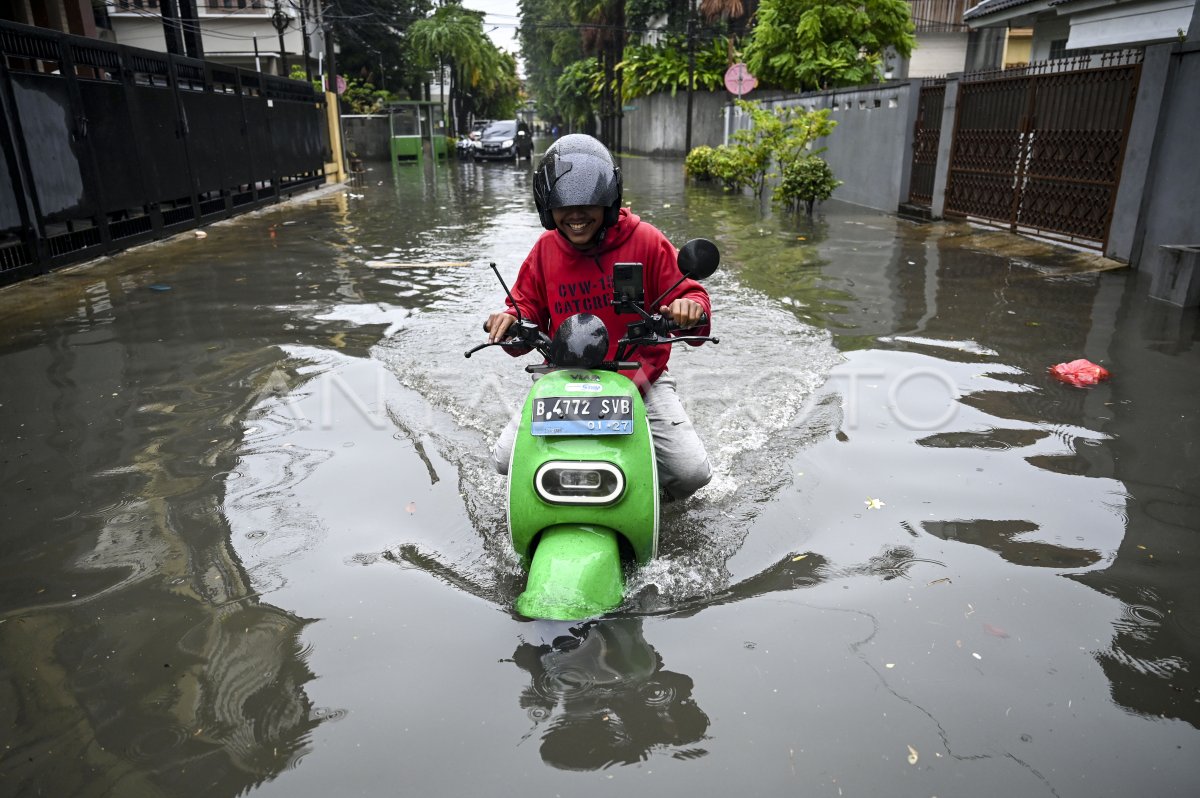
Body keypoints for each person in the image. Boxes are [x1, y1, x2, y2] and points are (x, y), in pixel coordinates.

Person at [485, 134, 713, 500]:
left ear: (608, 202)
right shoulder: (545, 250)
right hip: (562, 378)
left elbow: (690, 294)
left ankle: (647, 497)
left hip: (640, 376)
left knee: (690, 472)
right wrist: (510, 319)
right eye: (564, 206)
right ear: (548, 207)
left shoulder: (646, 240)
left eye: (589, 203)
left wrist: (691, 308)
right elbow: (524, 305)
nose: (576, 215)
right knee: (505, 459)